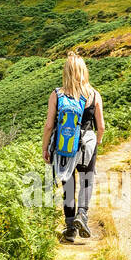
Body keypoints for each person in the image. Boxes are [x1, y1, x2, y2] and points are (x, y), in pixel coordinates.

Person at [43, 52, 105, 241]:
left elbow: (49, 125)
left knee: (68, 182)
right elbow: (100, 126)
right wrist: (98, 140)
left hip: (65, 143)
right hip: (87, 142)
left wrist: (45, 148)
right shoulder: (94, 95)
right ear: (84, 71)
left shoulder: (57, 94)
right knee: (86, 179)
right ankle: (82, 215)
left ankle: (70, 228)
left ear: (66, 72)